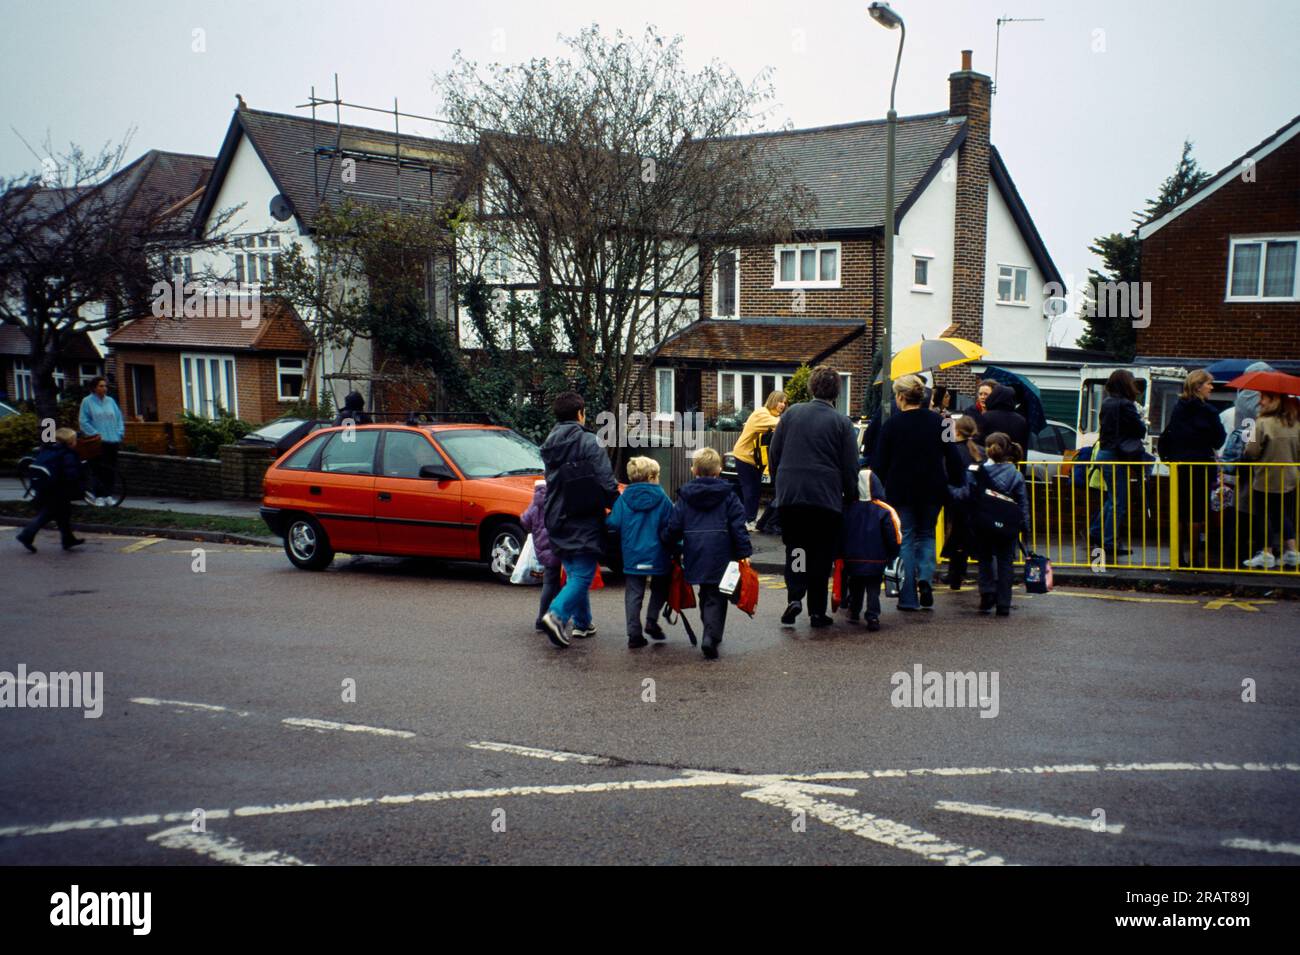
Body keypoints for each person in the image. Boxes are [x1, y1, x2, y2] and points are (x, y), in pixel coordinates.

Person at [768, 365, 859, 629]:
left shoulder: (791, 414)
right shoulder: (842, 423)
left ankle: (795, 595)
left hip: (791, 495)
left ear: (811, 387)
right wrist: (850, 494)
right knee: (821, 554)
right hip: (825, 497)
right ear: (836, 393)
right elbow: (850, 465)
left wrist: (781, 482)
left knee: (796, 548)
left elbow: (775, 454)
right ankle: (817, 612)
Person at [873, 374, 964, 612]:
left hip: (901, 490)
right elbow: (953, 457)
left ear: (901, 397)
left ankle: (908, 596)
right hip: (934, 488)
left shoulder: (891, 425)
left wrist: (876, 490)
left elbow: (880, 463)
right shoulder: (943, 423)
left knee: (906, 537)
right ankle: (925, 579)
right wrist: (956, 482)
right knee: (927, 535)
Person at [538, 391, 620, 649]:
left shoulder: (550, 443)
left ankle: (583, 624)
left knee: (574, 570)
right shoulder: (589, 441)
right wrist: (615, 507)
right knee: (583, 573)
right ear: (580, 414)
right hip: (582, 514)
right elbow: (606, 480)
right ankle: (557, 615)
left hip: (554, 514)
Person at [662, 447, 751, 659]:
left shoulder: (685, 497)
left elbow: (674, 526)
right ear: (719, 470)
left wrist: (668, 543)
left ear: (694, 470)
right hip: (722, 552)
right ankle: (711, 636)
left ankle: (710, 632)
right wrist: (744, 552)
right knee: (716, 594)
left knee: (706, 592)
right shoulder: (729, 495)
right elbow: (738, 526)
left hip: (695, 551)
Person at [950, 432, 1029, 616]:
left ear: (987, 449)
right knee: (1005, 562)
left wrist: (949, 490)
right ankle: (1003, 603)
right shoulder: (1015, 474)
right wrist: (1025, 527)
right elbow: (1023, 503)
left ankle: (987, 594)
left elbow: (966, 494)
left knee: (985, 558)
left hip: (983, 523)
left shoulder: (976, 471)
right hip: (1008, 525)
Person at [1159, 370, 1226, 566]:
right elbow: (1219, 439)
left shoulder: (1178, 408)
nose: (1211, 387)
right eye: (1209, 384)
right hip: (1201, 467)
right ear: (1198, 386)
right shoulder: (1209, 411)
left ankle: (1178, 558)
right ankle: (1195, 558)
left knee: (1180, 512)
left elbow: (1169, 435)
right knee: (1196, 513)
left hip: (1180, 466)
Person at [607, 456, 673, 649]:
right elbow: (672, 524)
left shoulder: (624, 498)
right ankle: (652, 619)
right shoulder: (662, 498)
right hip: (658, 553)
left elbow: (613, 523)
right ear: (653, 476)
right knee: (662, 585)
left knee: (634, 593)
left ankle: (634, 634)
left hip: (632, 554)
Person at [1087, 369, 1147, 560]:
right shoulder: (1126, 405)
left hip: (1104, 453)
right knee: (1118, 502)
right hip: (1116, 455)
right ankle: (1109, 542)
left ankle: (1096, 532)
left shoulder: (1107, 402)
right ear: (1126, 383)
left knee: (1112, 499)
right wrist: (1142, 421)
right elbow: (1139, 430)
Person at [1241, 392, 1300, 570]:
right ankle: (1292, 551)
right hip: (1289, 477)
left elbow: (1251, 450)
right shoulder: (1296, 424)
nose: (1260, 401)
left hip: (1265, 476)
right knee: (1282, 514)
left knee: (1263, 514)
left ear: (1274, 401)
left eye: (1264, 398)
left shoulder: (1261, 423)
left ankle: (1266, 554)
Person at [841, 468, 902, 632]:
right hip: (877, 557)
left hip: (852, 558)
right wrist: (893, 553)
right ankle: (872, 615)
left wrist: (840, 553)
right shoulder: (884, 509)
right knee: (873, 588)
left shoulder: (848, 507)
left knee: (855, 584)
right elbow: (894, 534)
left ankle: (854, 611)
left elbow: (841, 532)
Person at [16, 428, 85, 553]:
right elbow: (71, 474)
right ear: (70, 442)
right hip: (58, 490)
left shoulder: (49, 450)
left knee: (63, 514)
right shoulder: (67, 454)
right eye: (75, 440)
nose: (76, 442)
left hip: (45, 488)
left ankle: (68, 539)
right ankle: (26, 535)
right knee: (47, 514)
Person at [731, 390, 787, 531]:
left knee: (754, 490)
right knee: (750, 490)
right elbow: (779, 424)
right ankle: (747, 521)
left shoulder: (772, 416)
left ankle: (748, 519)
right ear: (773, 400)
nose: (783, 405)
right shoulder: (761, 414)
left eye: (785, 403)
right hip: (744, 456)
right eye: (780, 401)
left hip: (754, 460)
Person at [941, 414, 984, 589]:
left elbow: (945, 473)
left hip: (955, 498)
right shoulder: (980, 451)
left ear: (957, 431)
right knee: (972, 539)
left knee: (956, 537)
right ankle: (982, 577)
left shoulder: (952, 450)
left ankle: (955, 575)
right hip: (976, 500)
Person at [520, 478, 562, 633]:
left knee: (552, 584)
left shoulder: (533, 506)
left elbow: (524, 521)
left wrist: (535, 529)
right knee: (553, 584)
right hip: (557, 548)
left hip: (542, 550)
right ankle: (543, 618)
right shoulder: (555, 502)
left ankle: (553, 615)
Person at [79, 376, 124, 503]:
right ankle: (98, 496)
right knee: (97, 469)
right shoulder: (87, 402)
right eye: (101, 386)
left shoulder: (110, 401)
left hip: (112, 440)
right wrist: (95, 434)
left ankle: (108, 495)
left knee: (111, 469)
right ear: (94, 388)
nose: (104, 388)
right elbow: (83, 421)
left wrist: (119, 433)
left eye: (105, 386)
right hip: (97, 442)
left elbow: (119, 418)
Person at [973, 383, 1030, 452]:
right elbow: (1023, 445)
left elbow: (978, 441)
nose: (982, 397)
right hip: (1013, 459)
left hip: (991, 457)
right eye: (980, 394)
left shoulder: (986, 417)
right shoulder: (1021, 420)